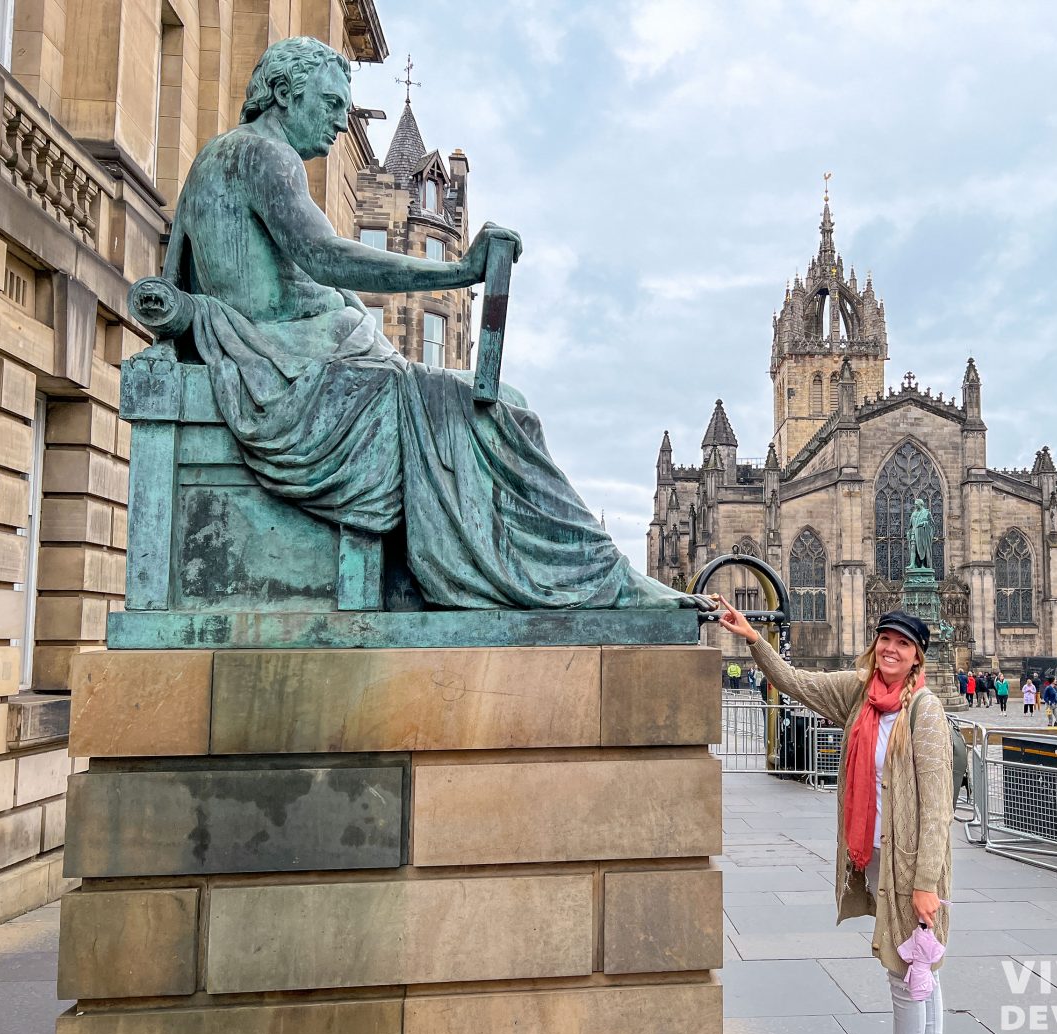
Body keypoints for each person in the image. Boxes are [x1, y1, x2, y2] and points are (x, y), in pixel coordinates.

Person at [156, 37, 691, 611]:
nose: (343, 122)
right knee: (501, 411)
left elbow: (176, 278)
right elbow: (326, 255)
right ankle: (594, 580)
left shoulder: (214, 159)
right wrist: (457, 271)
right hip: (293, 379)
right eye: (332, 104)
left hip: (298, 366)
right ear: (285, 95)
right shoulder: (264, 155)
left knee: (499, 407)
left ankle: (591, 574)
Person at [713, 598, 952, 1034]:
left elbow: (939, 807)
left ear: (916, 656)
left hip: (911, 862)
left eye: (901, 644)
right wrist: (754, 639)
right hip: (880, 853)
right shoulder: (859, 694)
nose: (890, 649)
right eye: (885, 639)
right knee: (919, 966)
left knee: (902, 971)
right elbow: (798, 683)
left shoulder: (924, 711)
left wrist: (927, 882)